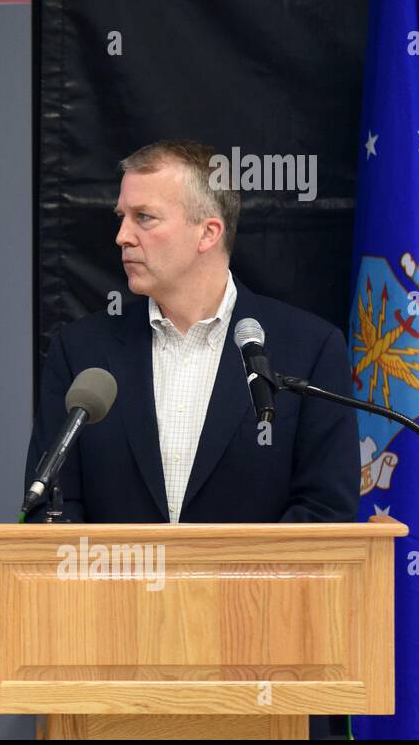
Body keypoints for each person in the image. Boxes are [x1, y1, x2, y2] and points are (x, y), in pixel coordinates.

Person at [26, 140, 358, 523]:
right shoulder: (81, 351)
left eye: (144, 217)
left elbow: (326, 512)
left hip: (256, 585)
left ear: (208, 233)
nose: (122, 236)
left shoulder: (310, 349)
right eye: (122, 216)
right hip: (110, 581)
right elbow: (51, 504)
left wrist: (221, 584)